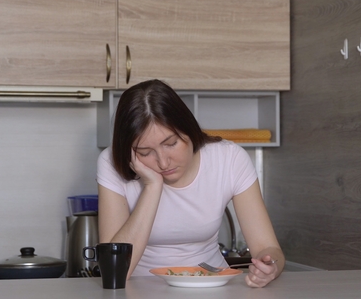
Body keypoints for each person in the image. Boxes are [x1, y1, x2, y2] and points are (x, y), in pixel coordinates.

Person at [97, 79, 285, 287]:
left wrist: (270, 266)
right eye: (145, 152)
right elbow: (115, 271)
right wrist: (152, 188)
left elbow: (268, 248)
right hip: (140, 288)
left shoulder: (229, 158)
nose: (162, 162)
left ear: (189, 129)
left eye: (171, 144)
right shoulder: (111, 162)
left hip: (213, 288)